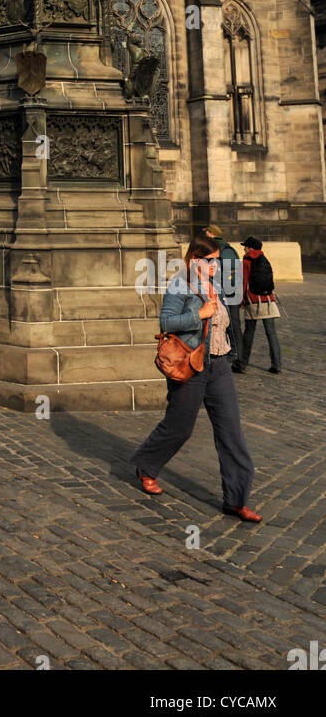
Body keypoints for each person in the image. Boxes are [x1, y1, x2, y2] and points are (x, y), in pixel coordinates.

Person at [131, 235, 261, 523]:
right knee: (179, 428)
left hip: (220, 366)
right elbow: (166, 322)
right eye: (212, 260)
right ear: (195, 260)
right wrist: (198, 313)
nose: (217, 265)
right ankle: (146, 465)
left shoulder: (215, 285)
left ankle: (236, 500)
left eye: (218, 260)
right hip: (192, 366)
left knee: (231, 433)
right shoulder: (180, 285)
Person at [203, 222, 245, 372]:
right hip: (233, 293)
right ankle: (239, 360)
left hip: (221, 293)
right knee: (235, 326)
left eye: (206, 233)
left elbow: (215, 273)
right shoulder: (231, 250)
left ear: (211, 234)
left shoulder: (213, 249)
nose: (205, 236)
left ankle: (222, 356)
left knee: (219, 324)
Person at [238, 236, 282, 374]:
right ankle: (277, 364)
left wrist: (241, 300)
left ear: (250, 248)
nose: (244, 248)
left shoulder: (247, 259)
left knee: (249, 333)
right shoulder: (264, 259)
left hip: (253, 300)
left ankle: (242, 364)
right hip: (268, 300)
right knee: (271, 333)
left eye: (245, 246)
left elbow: (243, 282)